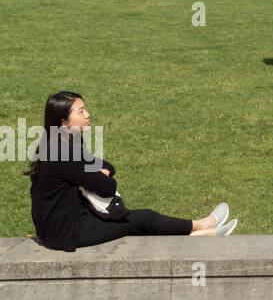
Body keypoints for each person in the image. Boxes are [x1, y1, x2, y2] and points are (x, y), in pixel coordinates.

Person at [27, 92, 237, 251]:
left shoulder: (60, 143)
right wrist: (101, 174)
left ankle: (199, 232)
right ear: (64, 122)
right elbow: (108, 187)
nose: (88, 114)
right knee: (141, 219)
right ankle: (201, 226)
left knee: (137, 221)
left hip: (62, 226)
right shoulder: (63, 153)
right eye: (81, 111)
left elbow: (108, 166)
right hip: (67, 232)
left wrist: (101, 172)